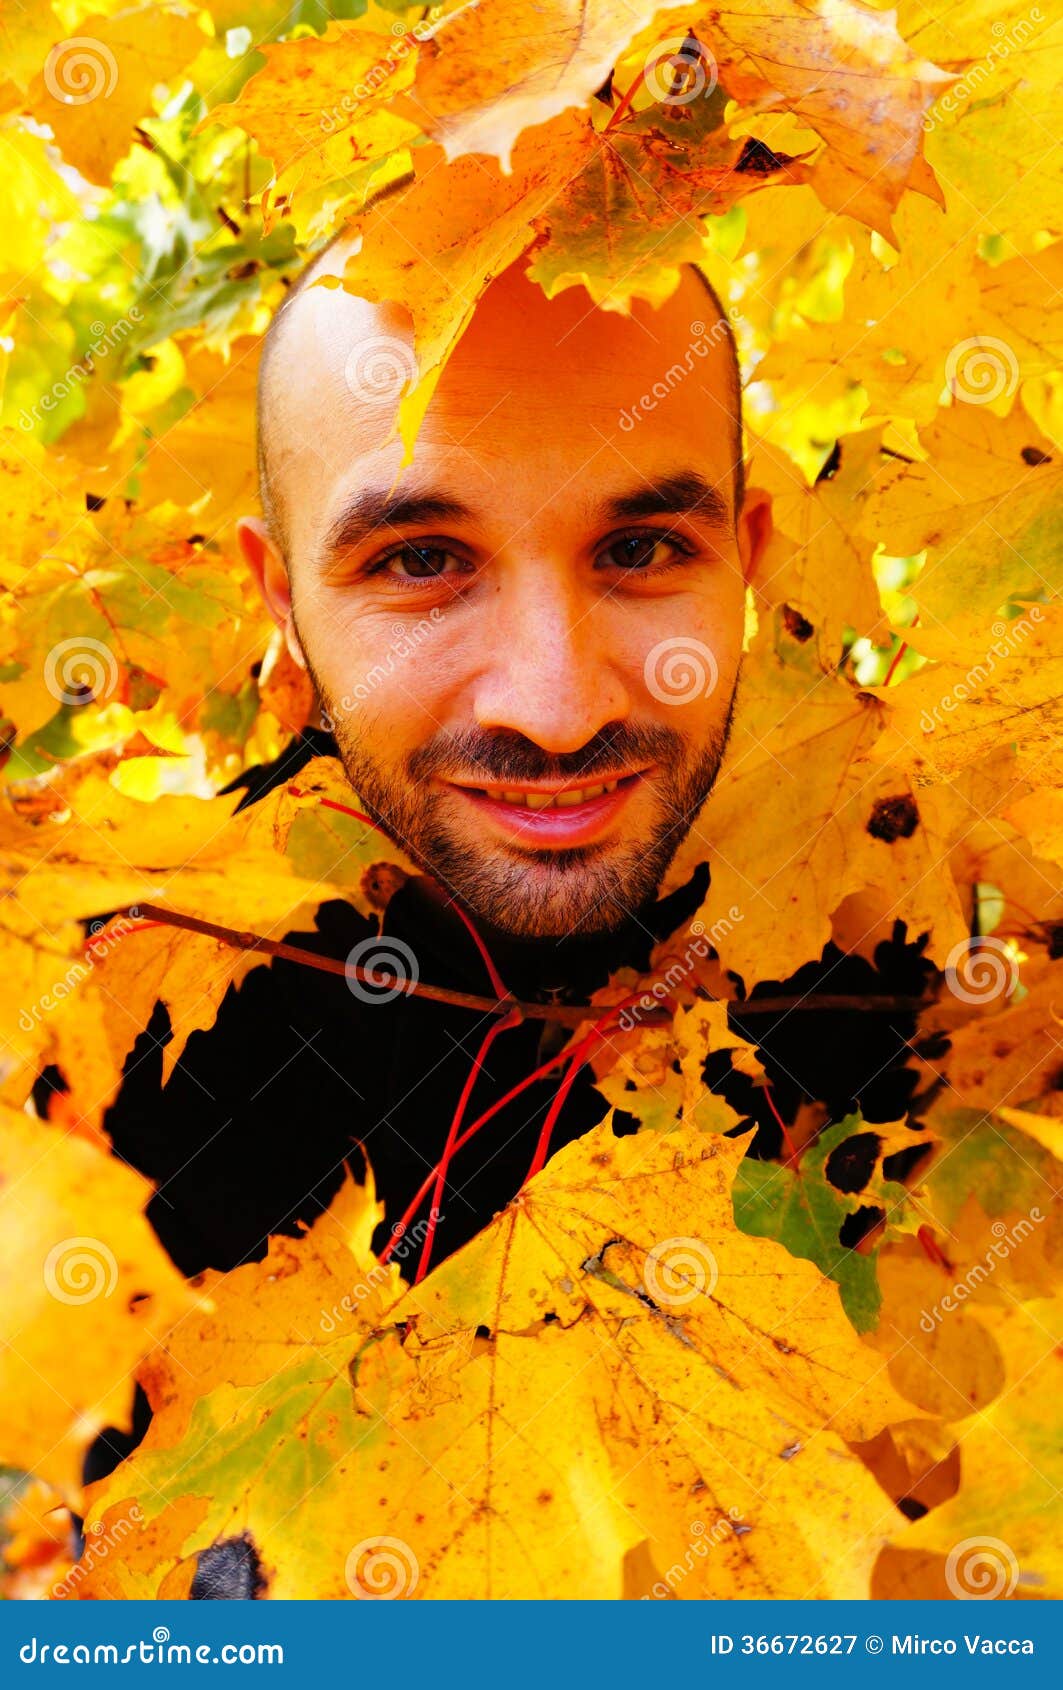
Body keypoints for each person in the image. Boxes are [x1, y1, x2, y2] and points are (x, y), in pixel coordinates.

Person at [44, 211, 928, 1494]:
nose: (556, 707)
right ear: (279, 607)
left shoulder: (889, 972)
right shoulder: (133, 1037)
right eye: (420, 561)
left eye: (637, 551)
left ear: (747, 565)